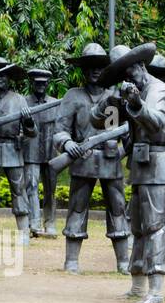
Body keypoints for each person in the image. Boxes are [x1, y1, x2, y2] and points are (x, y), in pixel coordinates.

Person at [91, 42, 165, 303]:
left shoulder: (158, 90)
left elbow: (156, 123)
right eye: (123, 77)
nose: (127, 80)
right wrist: (108, 101)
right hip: (139, 166)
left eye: (129, 73)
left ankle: (157, 289)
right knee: (137, 227)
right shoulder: (131, 92)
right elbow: (96, 122)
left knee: (154, 227)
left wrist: (136, 102)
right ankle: (138, 284)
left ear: (140, 66)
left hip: (158, 164)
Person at [53, 43, 129, 272]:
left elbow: (128, 132)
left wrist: (121, 153)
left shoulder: (115, 97)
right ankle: (72, 261)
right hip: (82, 160)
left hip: (110, 162)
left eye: (100, 67)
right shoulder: (72, 96)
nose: (95, 71)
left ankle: (123, 262)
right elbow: (60, 129)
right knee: (77, 207)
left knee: (118, 208)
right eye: (90, 67)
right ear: (83, 70)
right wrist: (68, 144)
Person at [0, 57, 36, 246]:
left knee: (19, 190)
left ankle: (23, 233)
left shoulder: (19, 99)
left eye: (3, 74)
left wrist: (28, 122)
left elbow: (32, 132)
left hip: (13, 150)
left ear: (9, 77)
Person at [23, 68, 59, 237]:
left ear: (47, 84)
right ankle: (34, 222)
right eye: (37, 83)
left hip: (51, 152)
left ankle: (50, 222)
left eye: (43, 83)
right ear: (32, 83)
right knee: (31, 186)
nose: (40, 86)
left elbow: (61, 128)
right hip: (31, 151)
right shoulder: (24, 103)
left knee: (50, 189)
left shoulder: (55, 103)